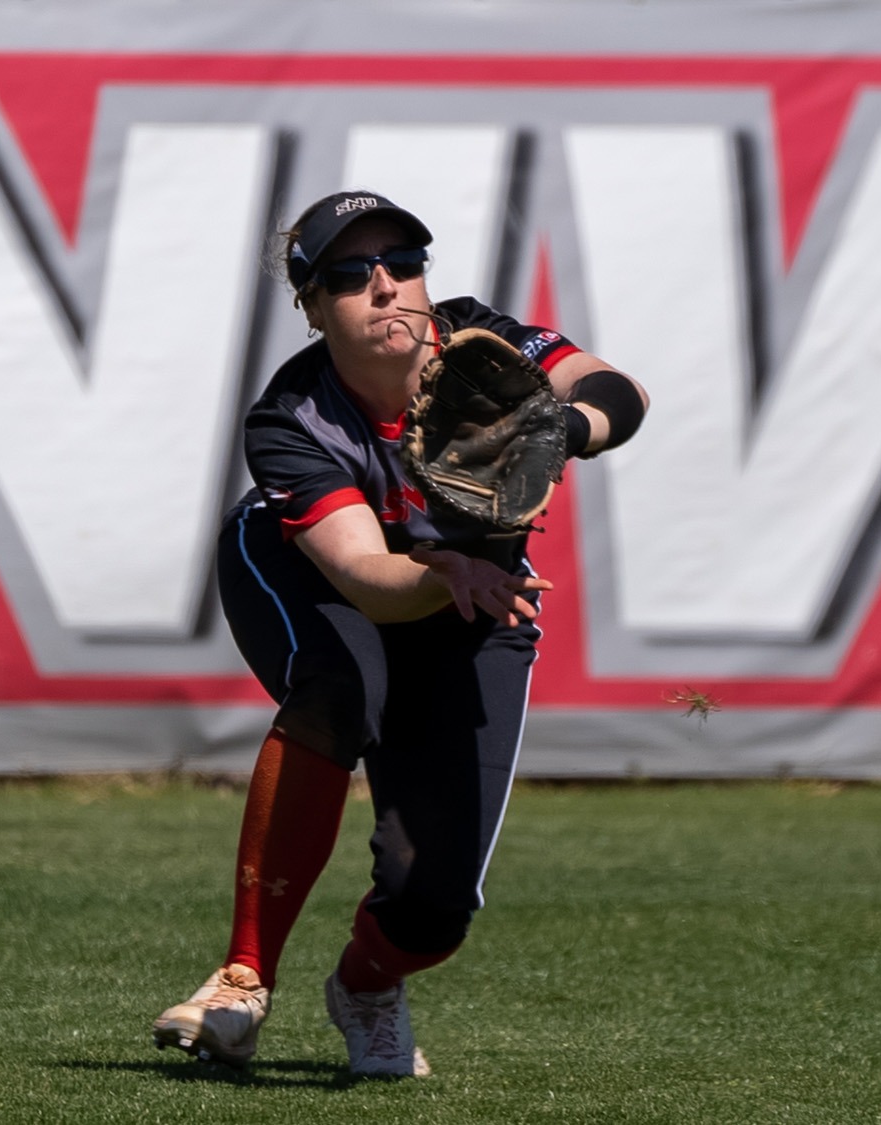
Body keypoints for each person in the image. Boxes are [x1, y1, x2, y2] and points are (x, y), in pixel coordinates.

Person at [151, 190, 648, 1077]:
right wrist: (442, 569)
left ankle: (367, 985)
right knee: (342, 690)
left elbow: (622, 391)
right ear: (311, 306)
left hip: (476, 596)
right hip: (316, 573)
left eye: (403, 263)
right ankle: (242, 978)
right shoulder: (292, 417)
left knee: (437, 898)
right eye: (348, 274)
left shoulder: (483, 344)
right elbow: (367, 580)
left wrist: (563, 428)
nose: (384, 285)